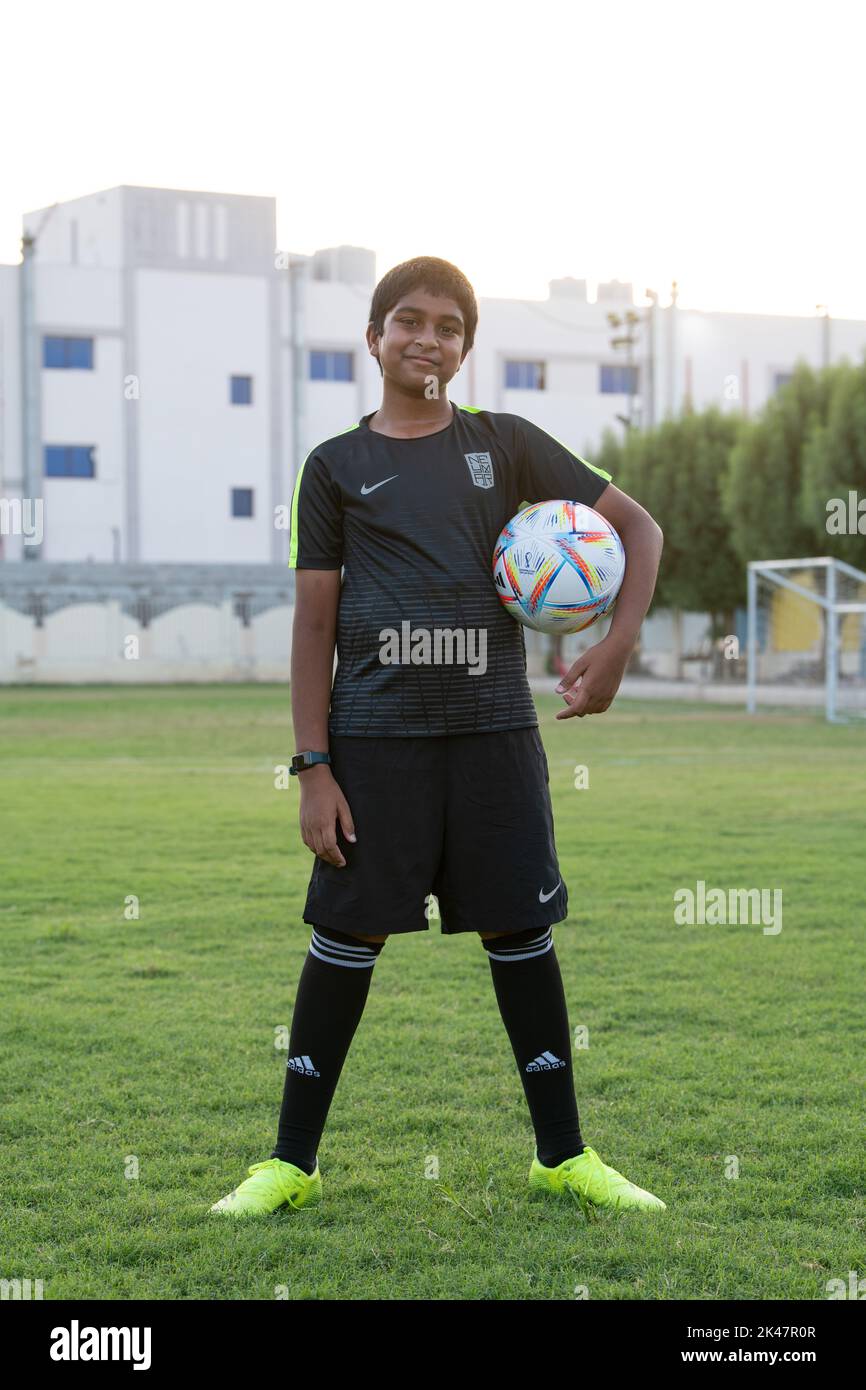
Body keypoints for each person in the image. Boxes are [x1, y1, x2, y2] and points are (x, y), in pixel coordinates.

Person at [210, 256, 666, 1219]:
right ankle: (289, 1163)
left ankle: (563, 1156)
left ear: (465, 349)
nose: (428, 338)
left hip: (495, 736)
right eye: (408, 321)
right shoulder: (334, 467)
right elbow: (312, 626)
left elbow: (640, 529)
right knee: (346, 934)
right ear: (373, 339)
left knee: (521, 933)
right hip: (374, 745)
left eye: (449, 326)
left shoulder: (507, 446)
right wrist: (313, 766)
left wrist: (616, 644)